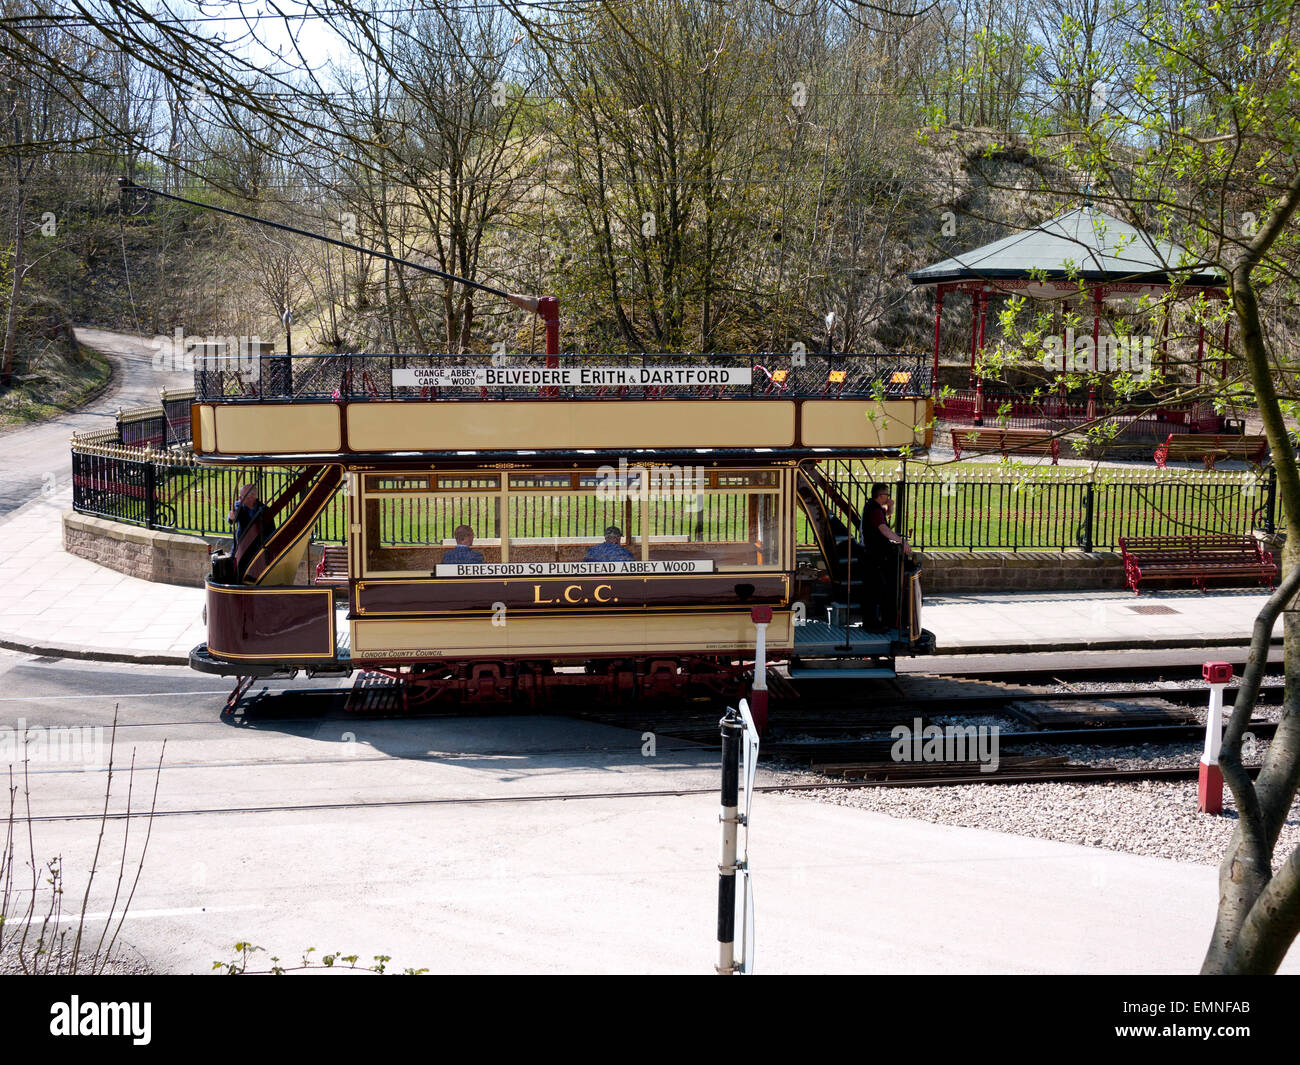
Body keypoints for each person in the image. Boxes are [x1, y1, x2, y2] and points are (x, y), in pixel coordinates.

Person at [861, 483, 909, 630]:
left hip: (871, 554)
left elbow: (886, 516)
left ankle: (875, 622)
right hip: (874, 556)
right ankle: (873, 624)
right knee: (875, 591)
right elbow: (884, 529)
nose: (888, 497)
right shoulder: (874, 510)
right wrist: (902, 542)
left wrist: (891, 506)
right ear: (881, 496)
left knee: (875, 590)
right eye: (887, 495)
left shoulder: (872, 507)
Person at [228, 482, 271, 577]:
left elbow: (271, 531)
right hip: (240, 549)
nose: (239, 498)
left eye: (242, 496)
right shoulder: (239, 506)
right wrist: (231, 517)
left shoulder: (264, 510)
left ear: (251, 497)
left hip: (257, 553)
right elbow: (234, 516)